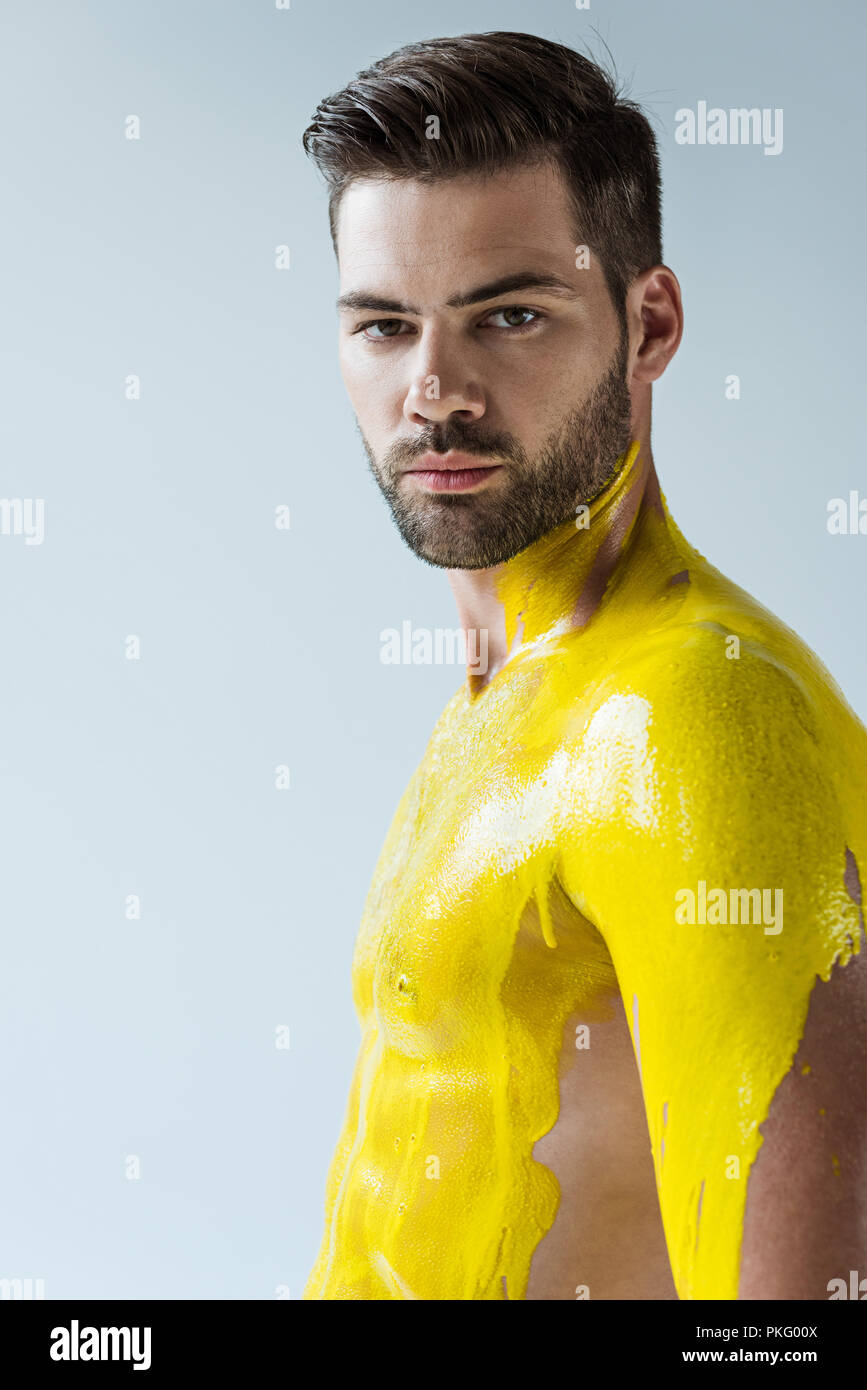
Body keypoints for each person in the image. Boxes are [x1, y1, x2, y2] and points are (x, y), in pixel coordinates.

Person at [300, 31, 867, 1300]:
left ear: (648, 321)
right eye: (385, 326)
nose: (433, 391)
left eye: (509, 315)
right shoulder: (509, 697)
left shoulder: (695, 715)